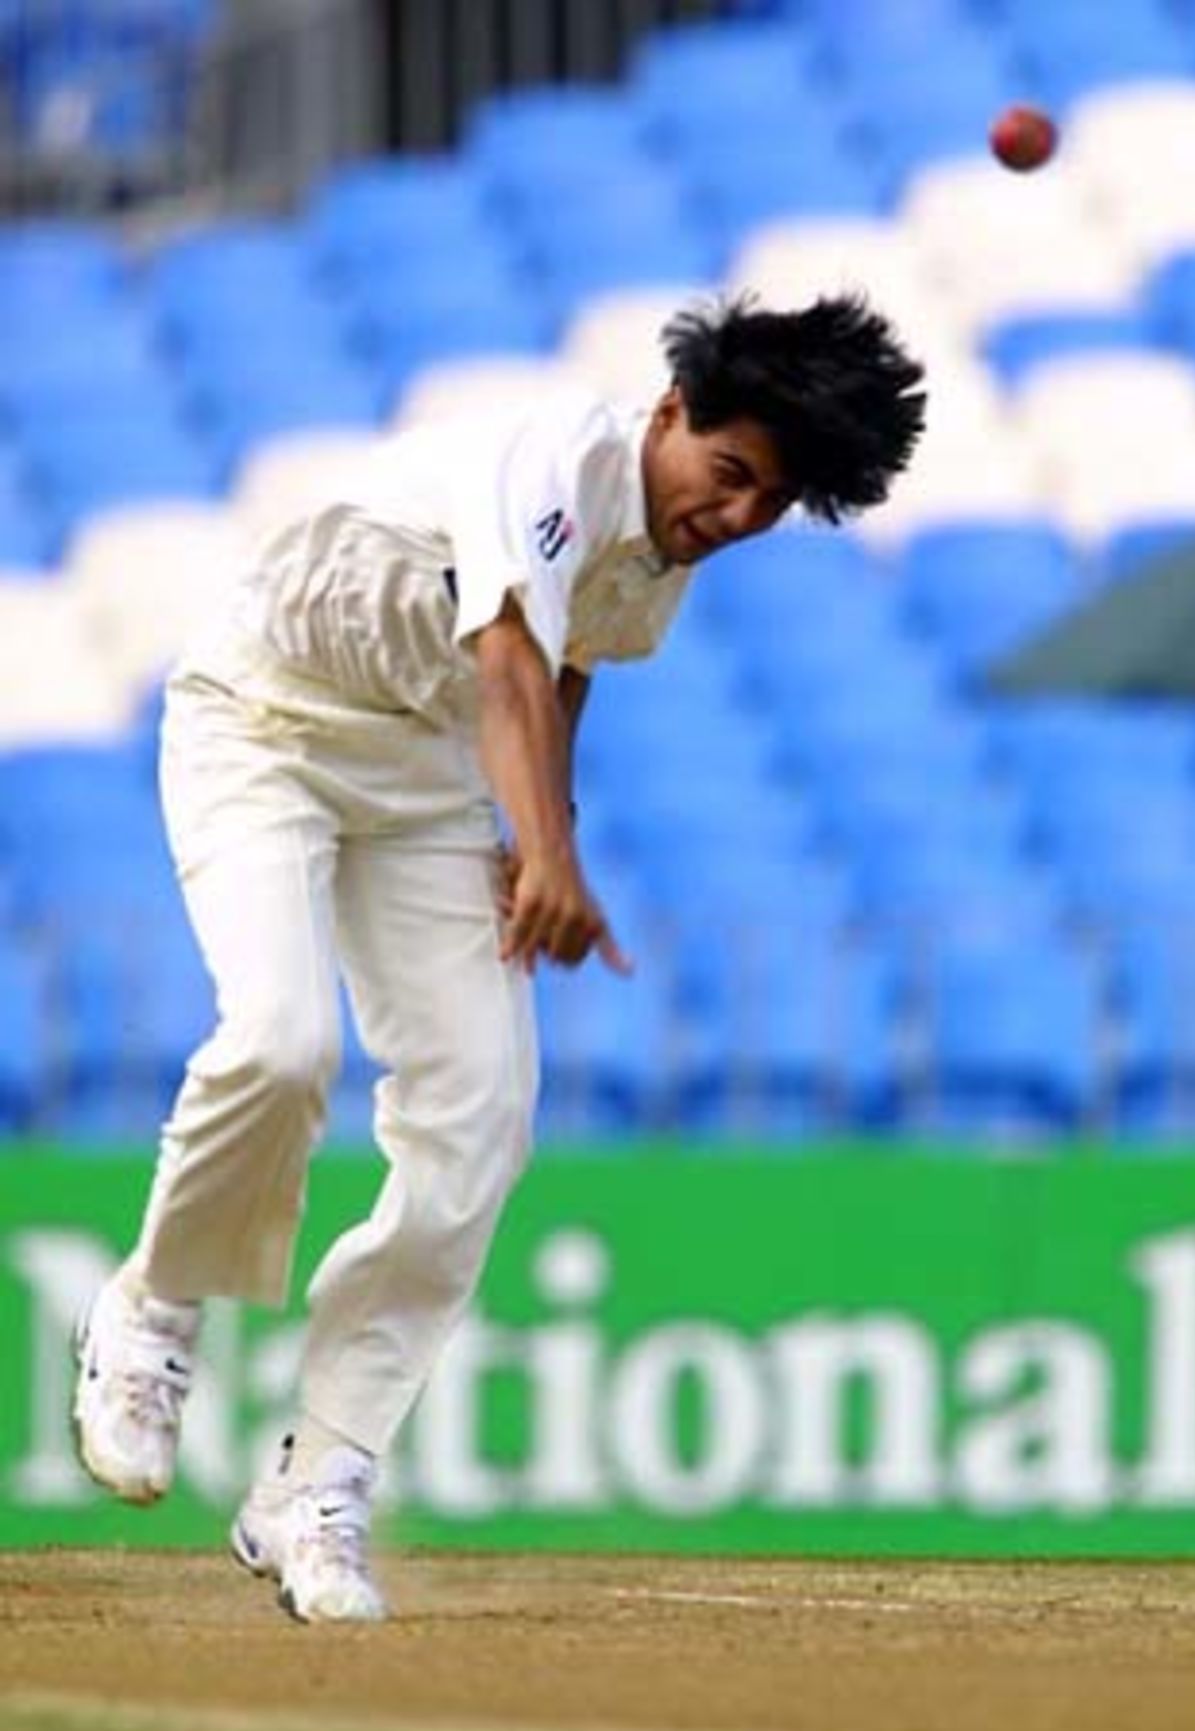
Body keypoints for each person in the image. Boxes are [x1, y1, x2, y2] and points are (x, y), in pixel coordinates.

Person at [72, 293, 926, 1622]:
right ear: (668, 415)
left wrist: (540, 831)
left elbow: (571, 666)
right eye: (733, 474)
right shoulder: (557, 460)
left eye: (776, 501)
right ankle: (150, 1308)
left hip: (420, 789)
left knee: (481, 1120)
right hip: (262, 729)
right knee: (281, 1043)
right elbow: (514, 656)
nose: (741, 515)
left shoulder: (664, 572)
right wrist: (550, 854)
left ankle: (320, 1472)